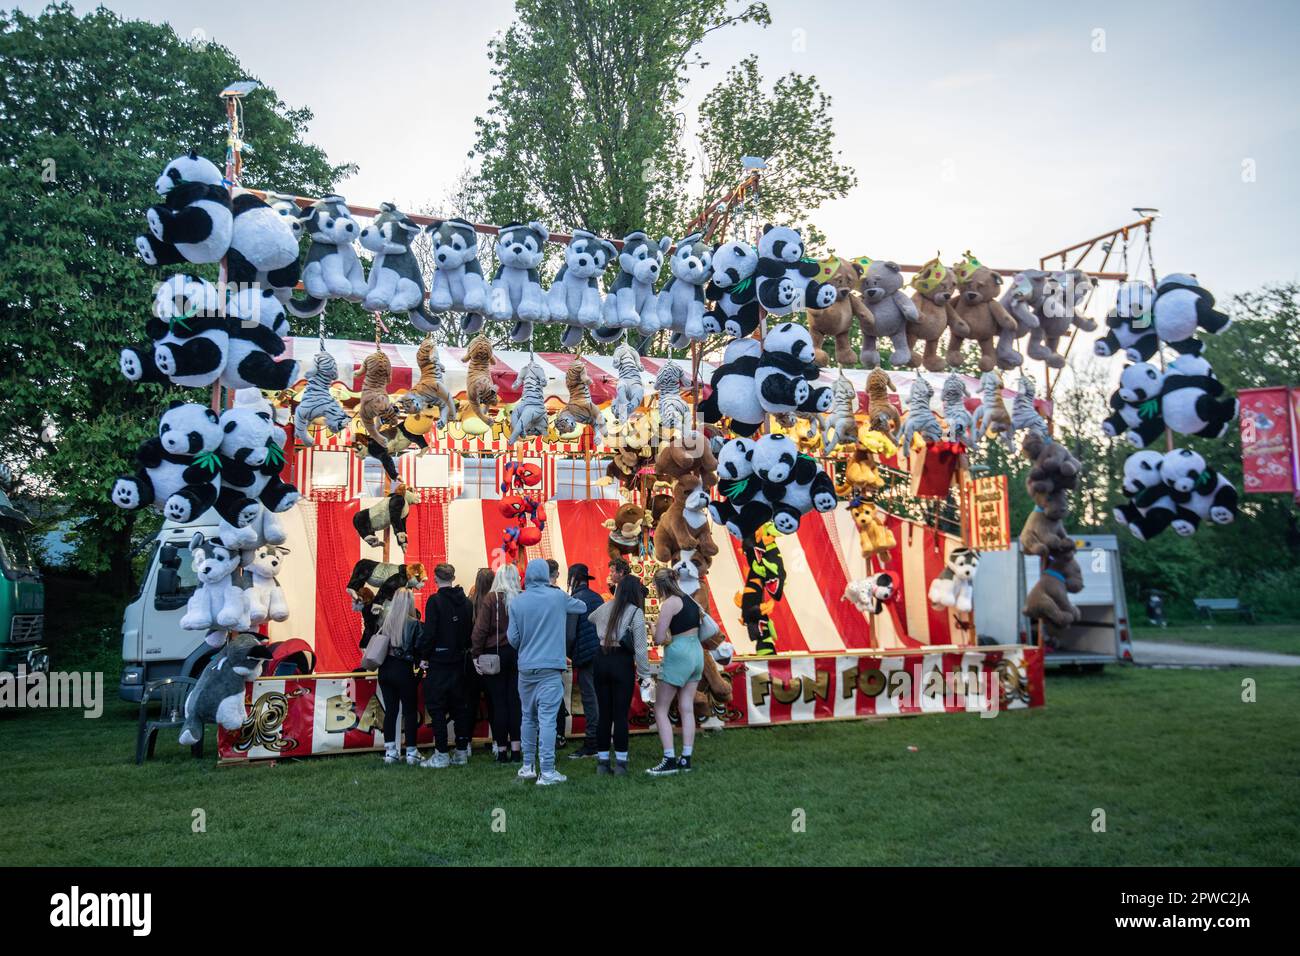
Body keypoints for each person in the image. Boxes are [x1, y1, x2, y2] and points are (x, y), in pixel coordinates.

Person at [508, 557, 587, 786]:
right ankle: (548, 771)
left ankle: (527, 766)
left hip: (526, 669)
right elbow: (581, 607)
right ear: (546, 574)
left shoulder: (517, 602)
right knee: (548, 721)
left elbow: (513, 639)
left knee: (528, 718)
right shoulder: (557, 597)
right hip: (551, 668)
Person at [586, 575, 649, 775]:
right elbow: (640, 648)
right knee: (620, 715)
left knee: (604, 714)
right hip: (622, 662)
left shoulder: (605, 608)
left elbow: (590, 618)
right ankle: (621, 763)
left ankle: (602, 763)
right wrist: (645, 675)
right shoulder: (635, 612)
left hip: (601, 658)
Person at [415, 563, 475, 769]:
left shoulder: (435, 602)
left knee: (437, 707)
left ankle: (441, 752)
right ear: (453, 576)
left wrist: (424, 655)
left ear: (435, 578)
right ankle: (460, 751)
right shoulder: (467, 603)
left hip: (439, 662)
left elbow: (429, 633)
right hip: (460, 661)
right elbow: (470, 632)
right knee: (460, 707)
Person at [647, 567, 704, 776]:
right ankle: (686, 758)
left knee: (660, 707)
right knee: (686, 707)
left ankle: (669, 758)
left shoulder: (669, 603)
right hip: (696, 652)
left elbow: (661, 638)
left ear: (659, 585)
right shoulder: (690, 599)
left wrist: (653, 629)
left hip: (679, 653)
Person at [472, 563, 523, 764]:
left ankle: (502, 751)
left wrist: (476, 654)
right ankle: (517, 750)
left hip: (495, 655)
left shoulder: (491, 599)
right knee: (515, 702)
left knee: (499, 703)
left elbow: (480, 631)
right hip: (518, 654)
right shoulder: (521, 598)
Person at [373, 587, 421, 765]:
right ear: (410, 603)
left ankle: (390, 751)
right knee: (409, 711)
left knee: (390, 711)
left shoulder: (385, 621)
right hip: (403, 670)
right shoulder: (413, 623)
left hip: (385, 670)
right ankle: (411, 751)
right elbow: (419, 648)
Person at [566, 563, 604, 760]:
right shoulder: (597, 597)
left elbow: (570, 635)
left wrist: (567, 652)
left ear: (573, 579)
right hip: (602, 653)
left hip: (586, 656)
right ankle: (601, 739)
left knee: (590, 700)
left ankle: (592, 744)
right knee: (600, 698)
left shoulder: (574, 600)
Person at [466, 567, 497, 755]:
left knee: (470, 703)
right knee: (494, 702)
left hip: (473, 658)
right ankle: (496, 742)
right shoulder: (496, 603)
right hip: (492, 658)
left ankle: (467, 743)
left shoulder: (470, 604)